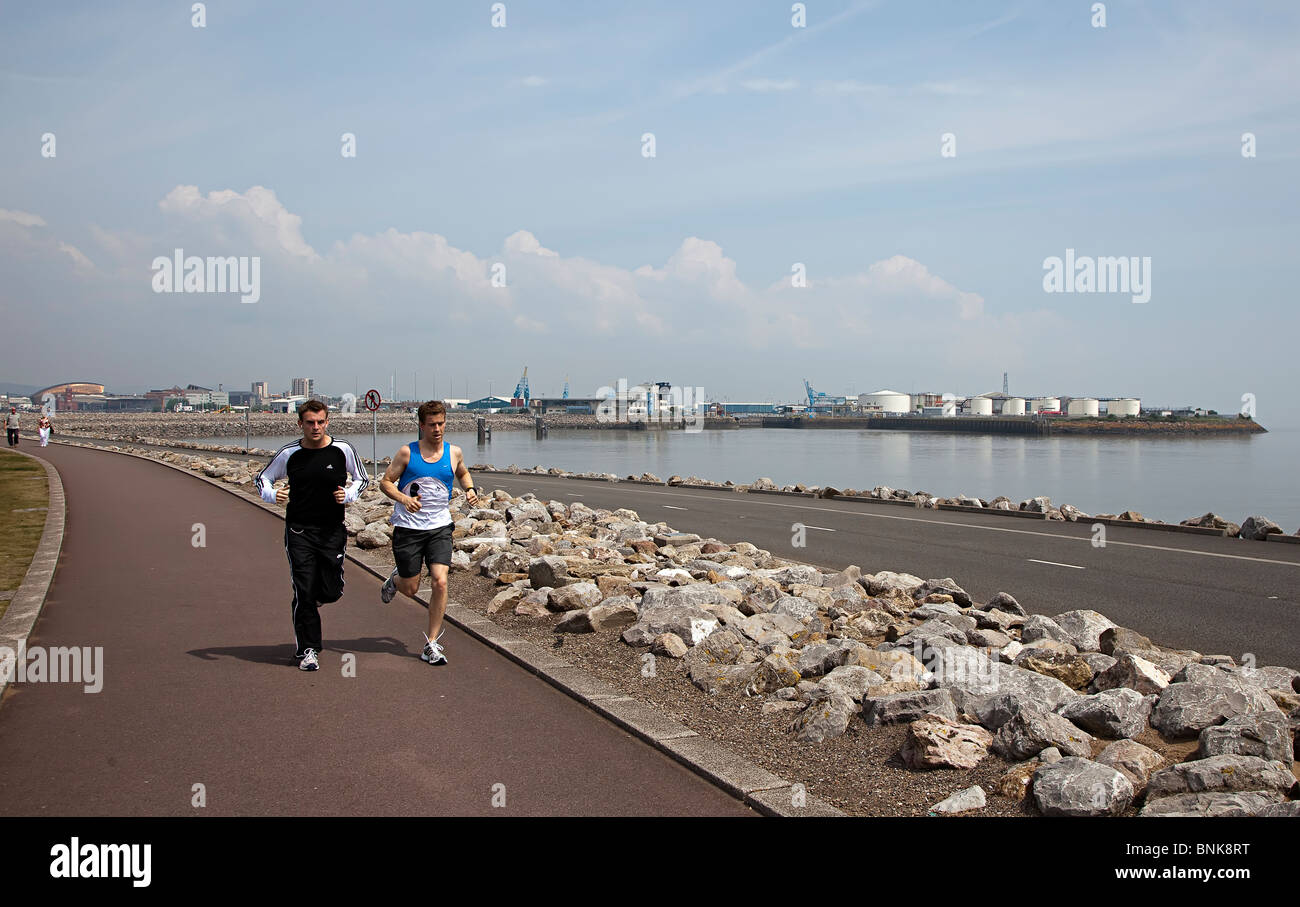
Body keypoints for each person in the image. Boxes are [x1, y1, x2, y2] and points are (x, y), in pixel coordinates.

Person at [255, 400, 369, 671]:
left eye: (320, 422)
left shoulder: (342, 449)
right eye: (310, 422)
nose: (315, 427)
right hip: (299, 530)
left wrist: (349, 494)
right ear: (300, 424)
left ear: (327, 422)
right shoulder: (289, 453)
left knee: (332, 590)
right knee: (303, 589)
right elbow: (263, 478)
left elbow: (362, 479)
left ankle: (317, 597)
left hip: (332, 530)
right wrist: (273, 495)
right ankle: (308, 649)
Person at [378, 400, 477, 666]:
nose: (437, 429)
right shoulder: (407, 453)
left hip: (440, 528)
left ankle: (431, 643)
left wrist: (470, 490)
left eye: (441, 423)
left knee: (440, 581)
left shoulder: (453, 452)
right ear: (421, 425)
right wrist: (403, 498)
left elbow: (463, 473)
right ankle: (395, 581)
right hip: (409, 529)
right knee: (411, 589)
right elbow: (385, 482)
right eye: (432, 424)